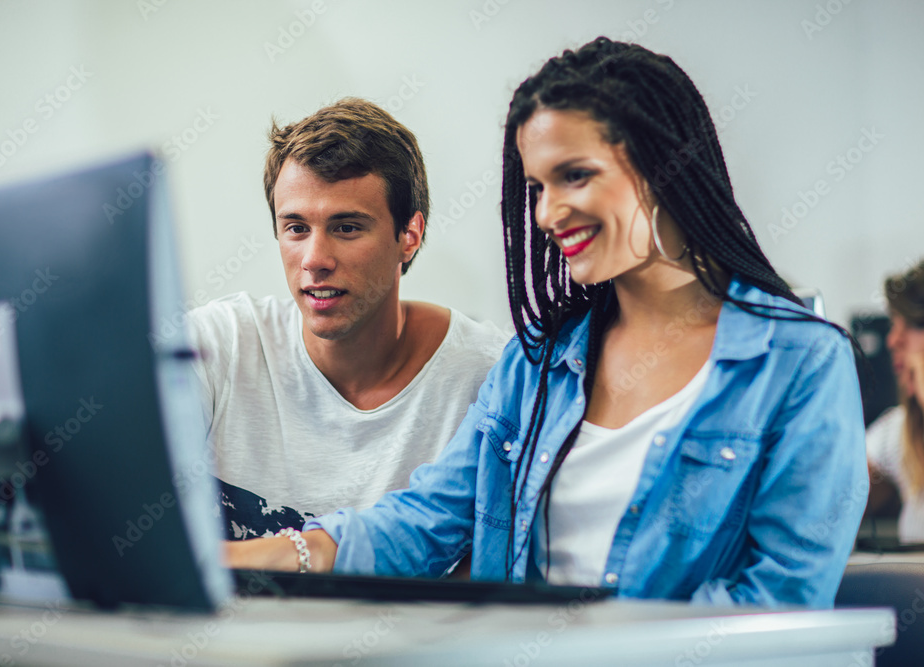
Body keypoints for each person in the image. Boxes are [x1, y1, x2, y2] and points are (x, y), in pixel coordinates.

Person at [225, 38, 866, 608]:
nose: (547, 213)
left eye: (575, 177)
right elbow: (423, 523)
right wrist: (254, 559)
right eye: (536, 187)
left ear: (665, 165)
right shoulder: (539, 363)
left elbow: (780, 599)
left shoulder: (800, 363)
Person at [189, 98, 510, 539]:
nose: (315, 259)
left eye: (347, 228)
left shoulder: (491, 377)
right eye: (296, 228)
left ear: (409, 236)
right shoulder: (221, 342)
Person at [865, 259, 924, 542]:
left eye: (912, 324)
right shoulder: (897, 431)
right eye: (893, 324)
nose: (893, 340)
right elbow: (832, 497)